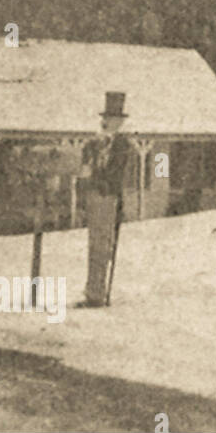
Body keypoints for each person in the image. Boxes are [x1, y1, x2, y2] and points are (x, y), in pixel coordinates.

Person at [78, 92, 132, 307]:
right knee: (94, 245)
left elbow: (117, 171)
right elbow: (85, 169)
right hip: (94, 196)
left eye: (116, 120)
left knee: (102, 245)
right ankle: (92, 290)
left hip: (109, 196)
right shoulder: (93, 144)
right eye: (108, 119)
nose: (110, 123)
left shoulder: (122, 145)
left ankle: (96, 293)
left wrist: (160, 174)